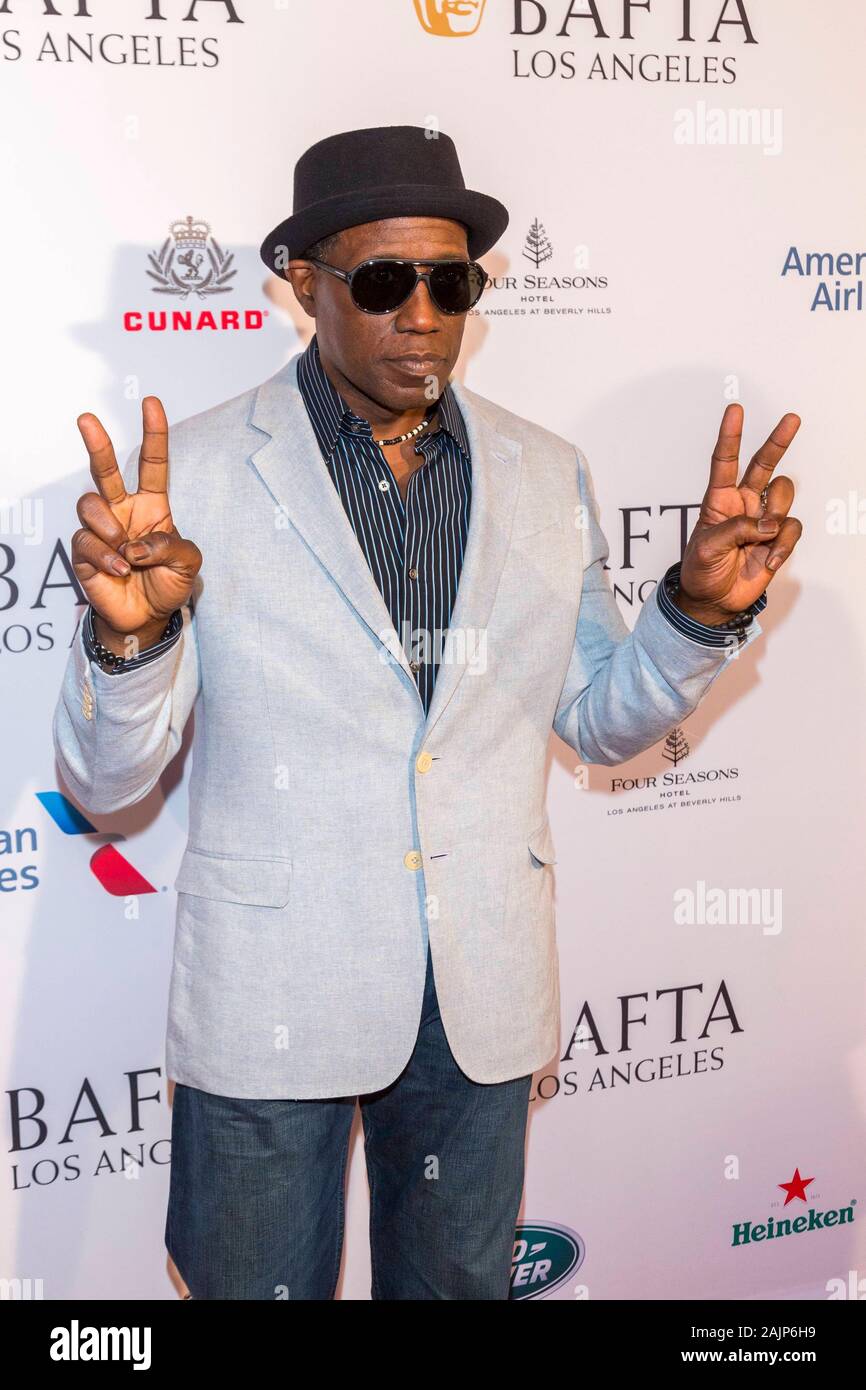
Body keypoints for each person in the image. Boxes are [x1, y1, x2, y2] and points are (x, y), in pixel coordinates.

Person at [52, 125, 802, 1300]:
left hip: (479, 993)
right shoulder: (185, 483)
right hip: (270, 993)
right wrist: (133, 635)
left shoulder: (541, 469)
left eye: (450, 284)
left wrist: (695, 610)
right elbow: (105, 787)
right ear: (303, 287)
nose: (423, 316)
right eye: (385, 281)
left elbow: (601, 722)